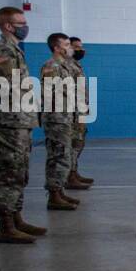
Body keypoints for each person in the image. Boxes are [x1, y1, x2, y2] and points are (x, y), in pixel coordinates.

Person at [0, 6, 44, 244]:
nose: (25, 26)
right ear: (8, 26)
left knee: (20, 171)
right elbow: (12, 84)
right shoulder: (4, 50)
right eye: (21, 22)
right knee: (9, 173)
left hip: (21, 120)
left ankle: (16, 217)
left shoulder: (15, 50)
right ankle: (6, 225)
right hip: (11, 121)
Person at [39, 32, 80, 212]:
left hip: (65, 117)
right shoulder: (51, 67)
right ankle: (54, 195)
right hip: (56, 118)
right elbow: (51, 94)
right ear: (56, 47)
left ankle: (59, 190)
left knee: (64, 155)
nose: (69, 47)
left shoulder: (65, 66)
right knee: (57, 155)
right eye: (65, 44)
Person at [66, 37, 93, 188]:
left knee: (79, 143)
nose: (81, 50)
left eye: (81, 47)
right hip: (72, 113)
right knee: (72, 144)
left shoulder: (76, 65)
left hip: (79, 111)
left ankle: (74, 171)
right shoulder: (66, 66)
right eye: (76, 47)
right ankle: (69, 176)